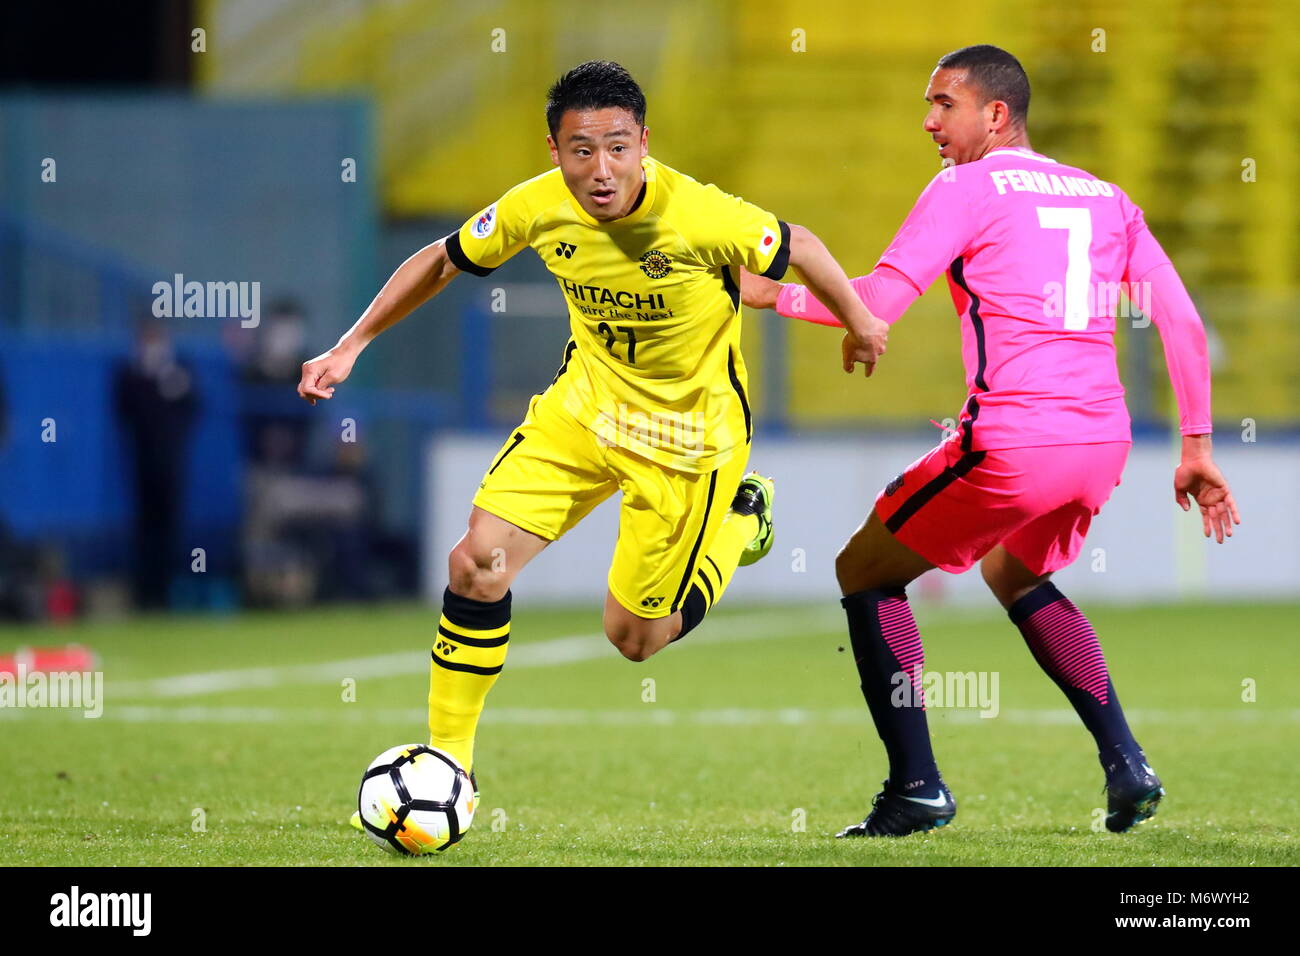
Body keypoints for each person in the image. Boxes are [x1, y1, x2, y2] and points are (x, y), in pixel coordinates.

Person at [296, 61, 883, 829]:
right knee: (477, 564)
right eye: (580, 149)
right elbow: (442, 257)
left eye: (615, 147)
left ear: (644, 143)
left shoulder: (701, 214)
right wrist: (350, 346)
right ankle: (450, 763)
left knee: (634, 639)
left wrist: (861, 322)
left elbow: (798, 245)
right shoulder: (537, 207)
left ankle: (741, 519)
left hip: (688, 442)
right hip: (584, 412)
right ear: (554, 149)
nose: (599, 170)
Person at [741, 45, 1240, 837]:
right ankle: (1127, 762)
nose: (929, 121)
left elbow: (875, 301)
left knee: (863, 571)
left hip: (1015, 442)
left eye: (945, 104)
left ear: (996, 114)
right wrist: (1198, 445)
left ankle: (916, 788)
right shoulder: (1107, 198)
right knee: (1014, 570)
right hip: (1101, 444)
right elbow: (1177, 318)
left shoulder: (966, 185)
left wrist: (769, 293)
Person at [114, 317, 201, 610]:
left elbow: (193, 408)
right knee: (144, 530)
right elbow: (124, 412)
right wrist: (150, 382)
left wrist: (173, 383)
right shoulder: (129, 373)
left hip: (172, 464)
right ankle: (144, 593)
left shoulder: (180, 369)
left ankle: (166, 594)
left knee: (170, 529)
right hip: (141, 464)